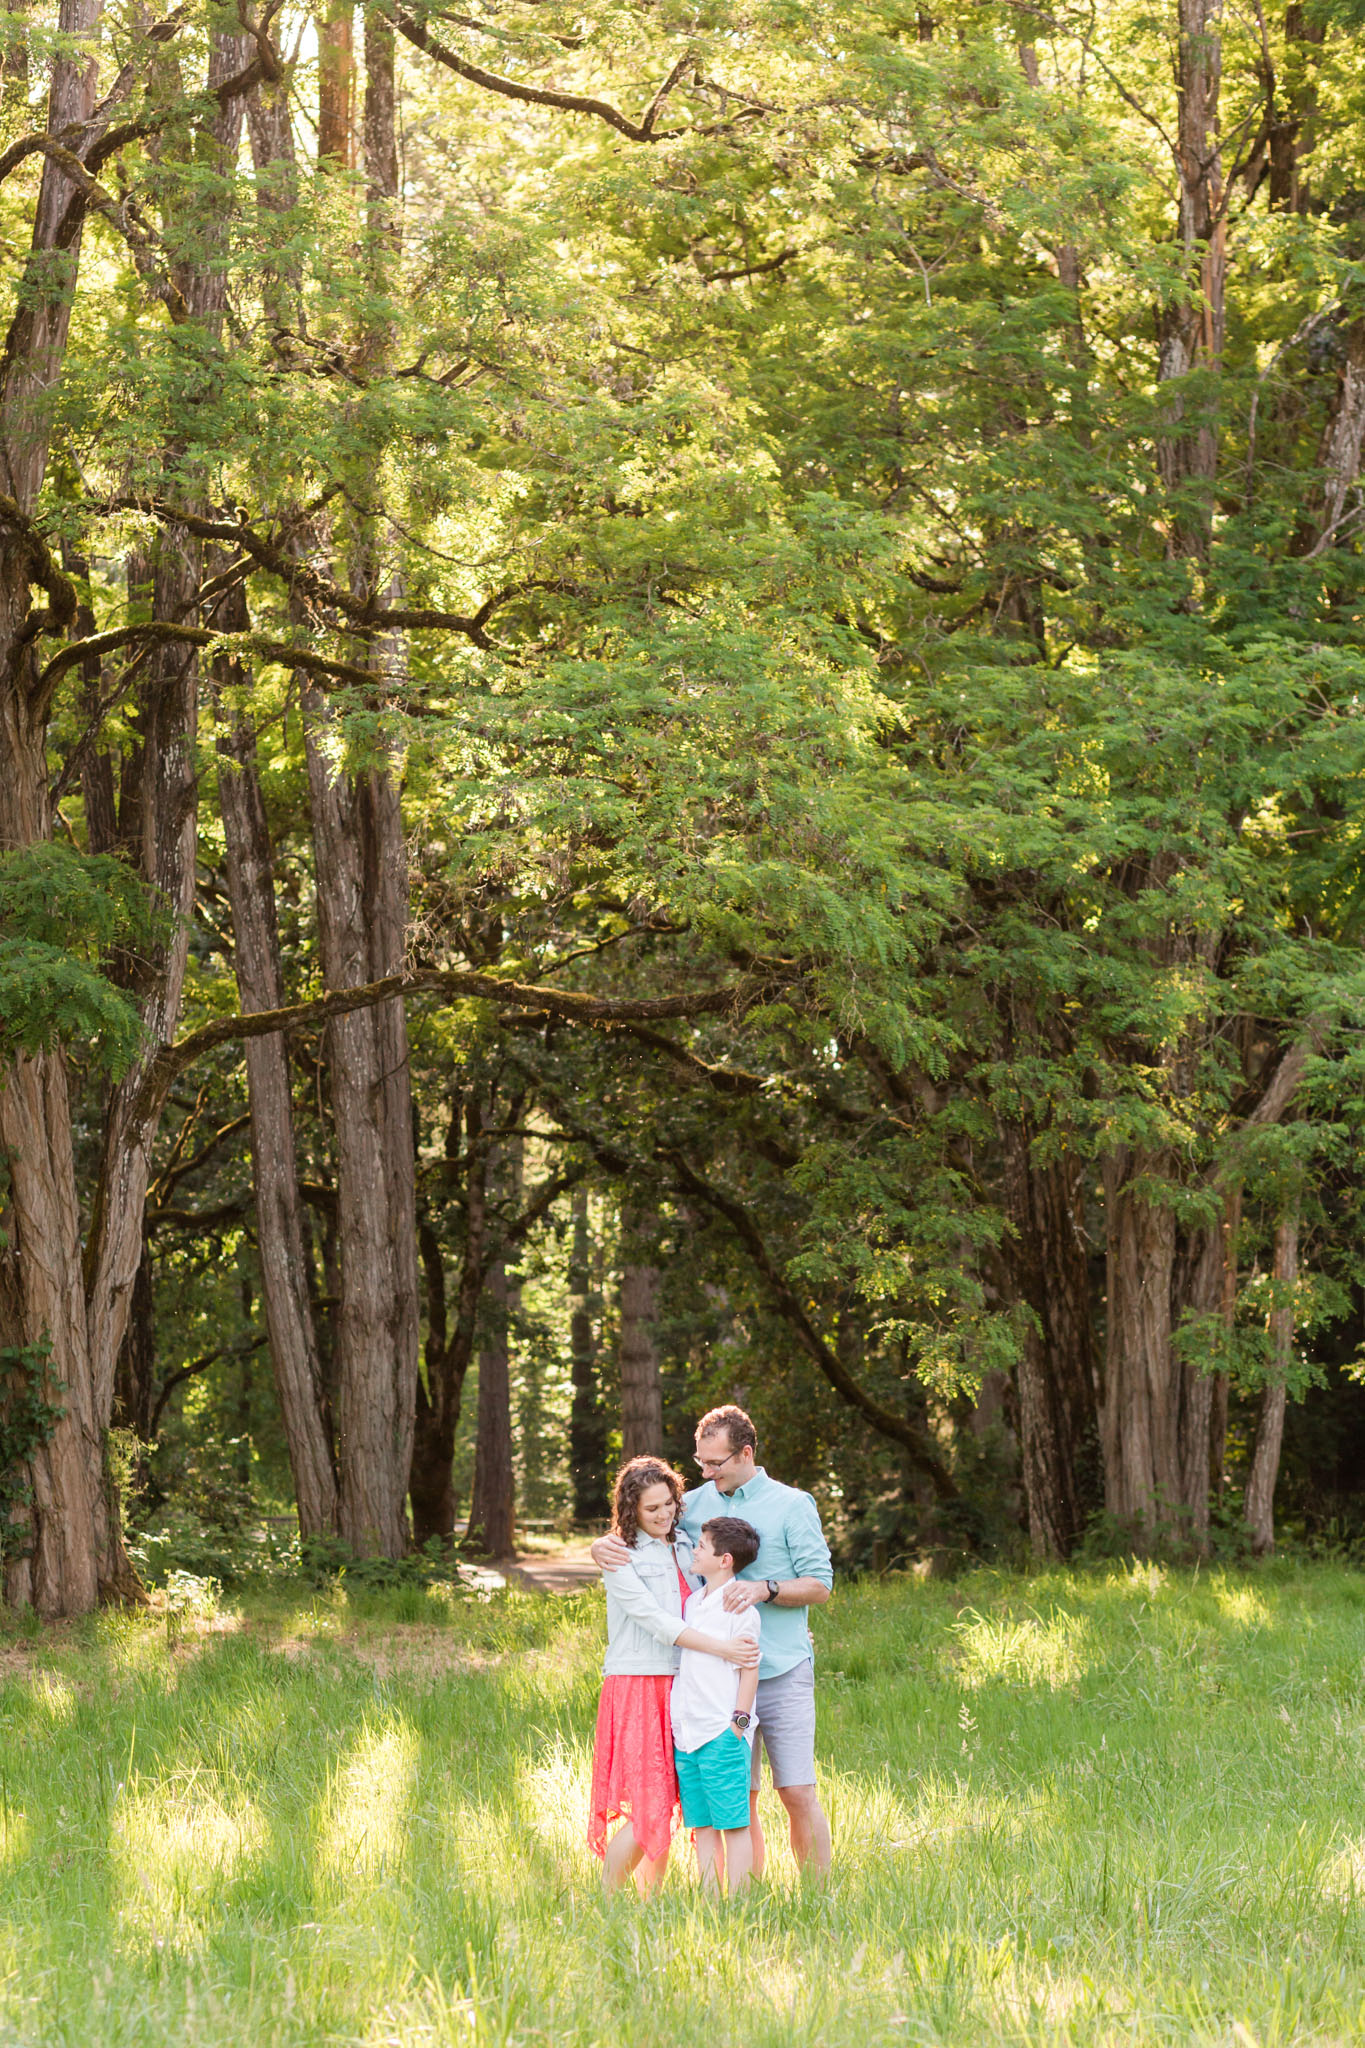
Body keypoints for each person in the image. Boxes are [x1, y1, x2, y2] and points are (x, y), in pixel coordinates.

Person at [593, 1404, 834, 1876]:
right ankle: (748, 1896)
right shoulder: (695, 1506)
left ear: (744, 1453)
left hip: (780, 1669)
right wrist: (600, 1545)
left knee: (797, 1791)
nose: (704, 1472)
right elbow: (648, 1536)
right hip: (711, 1679)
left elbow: (821, 1585)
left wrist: (768, 1590)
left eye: (714, 1463)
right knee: (738, 1798)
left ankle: (819, 1897)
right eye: (700, 1461)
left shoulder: (792, 1503)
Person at [588, 1454, 760, 1895]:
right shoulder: (620, 1555)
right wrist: (726, 1650)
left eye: (668, 1504)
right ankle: (607, 1897)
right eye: (651, 1509)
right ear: (631, 1512)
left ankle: (650, 1901)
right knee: (650, 1802)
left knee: (671, 1799)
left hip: (686, 1689)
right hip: (641, 1683)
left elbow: (720, 1593)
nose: (663, 1515)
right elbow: (658, 1622)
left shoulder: (686, 1546)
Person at [671, 1514, 763, 1896]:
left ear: (724, 1559)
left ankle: (741, 1903)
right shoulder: (694, 1602)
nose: (694, 1550)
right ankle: (709, 1903)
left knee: (733, 1823)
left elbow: (750, 1667)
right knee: (703, 1826)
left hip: (720, 1733)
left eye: (702, 1547)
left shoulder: (740, 1608)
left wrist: (737, 1726)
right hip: (687, 1734)